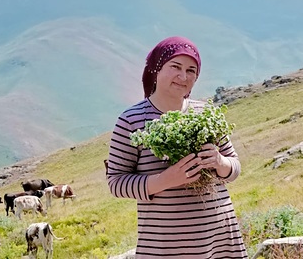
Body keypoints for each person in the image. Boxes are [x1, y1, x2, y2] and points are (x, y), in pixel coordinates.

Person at [106, 36, 248, 258]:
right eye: (175, 67)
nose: (184, 76)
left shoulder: (205, 114)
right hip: (166, 245)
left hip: (220, 239)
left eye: (191, 70)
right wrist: (164, 180)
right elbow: (116, 182)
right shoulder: (131, 120)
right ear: (156, 69)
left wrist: (220, 162)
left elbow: (235, 168)